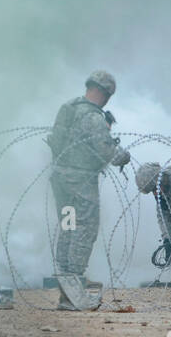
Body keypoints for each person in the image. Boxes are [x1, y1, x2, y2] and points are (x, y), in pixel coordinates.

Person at [46, 70, 130, 278]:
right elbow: (107, 153)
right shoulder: (93, 117)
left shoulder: (70, 108)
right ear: (103, 92)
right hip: (81, 179)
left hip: (60, 176)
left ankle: (63, 272)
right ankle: (74, 276)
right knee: (86, 226)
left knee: (68, 224)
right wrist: (123, 155)